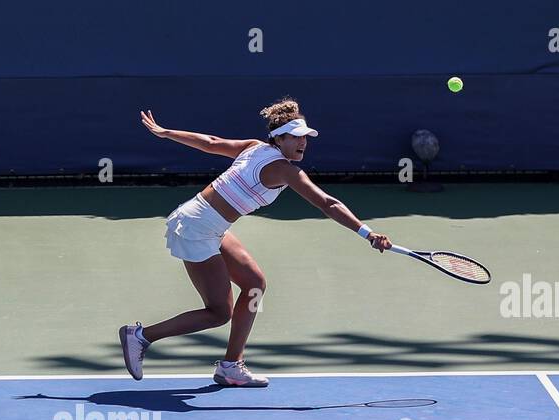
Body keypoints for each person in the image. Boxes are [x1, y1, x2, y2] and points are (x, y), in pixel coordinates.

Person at [118, 97, 392, 388]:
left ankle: (231, 367)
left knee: (254, 284)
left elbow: (210, 143)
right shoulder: (286, 171)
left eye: (305, 138)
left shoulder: (254, 147)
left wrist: (166, 133)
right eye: (296, 138)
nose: (302, 144)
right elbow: (327, 203)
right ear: (280, 138)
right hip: (196, 229)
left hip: (207, 223)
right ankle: (141, 336)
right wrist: (366, 232)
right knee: (218, 313)